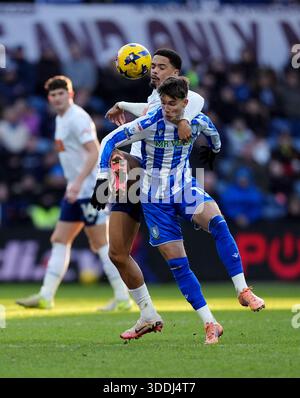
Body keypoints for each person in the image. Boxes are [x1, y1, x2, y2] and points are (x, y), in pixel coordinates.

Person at [91, 76, 265, 345]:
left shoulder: (196, 120)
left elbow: (215, 137)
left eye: (173, 104)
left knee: (218, 223)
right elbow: (110, 140)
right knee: (178, 264)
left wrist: (211, 156)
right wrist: (104, 179)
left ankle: (243, 290)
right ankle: (210, 323)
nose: (167, 109)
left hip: (184, 186)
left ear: (185, 103)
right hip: (153, 197)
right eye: (164, 103)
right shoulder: (149, 123)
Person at [100, 49, 206, 334]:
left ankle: (226, 299)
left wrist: (183, 120)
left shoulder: (190, 99)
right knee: (117, 254)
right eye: (152, 66)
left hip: (160, 180)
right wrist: (123, 103)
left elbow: (193, 104)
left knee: (119, 159)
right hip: (134, 178)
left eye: (161, 66)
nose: (153, 70)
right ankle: (148, 313)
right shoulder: (154, 100)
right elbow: (151, 110)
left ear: (176, 74)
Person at [16, 75, 131, 311]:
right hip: (76, 189)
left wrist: (78, 182)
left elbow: (93, 151)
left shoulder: (78, 118)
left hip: (91, 189)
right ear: (49, 98)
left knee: (101, 244)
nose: (57, 98)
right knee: (59, 239)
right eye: (53, 95)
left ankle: (123, 298)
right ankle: (46, 296)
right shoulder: (61, 119)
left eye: (61, 94)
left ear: (70, 95)